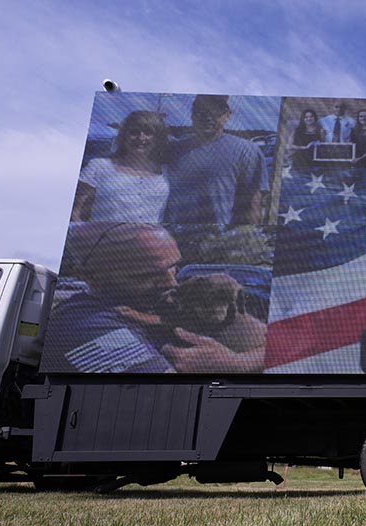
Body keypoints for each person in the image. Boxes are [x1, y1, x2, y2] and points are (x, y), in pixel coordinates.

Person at [49, 222, 266, 374]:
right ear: (89, 277)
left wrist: (240, 363)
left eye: (174, 267)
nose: (172, 283)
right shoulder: (87, 325)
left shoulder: (158, 300)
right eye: (147, 276)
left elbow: (274, 344)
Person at [165, 94, 269, 227]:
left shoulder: (247, 150)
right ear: (192, 115)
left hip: (219, 235)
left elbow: (254, 200)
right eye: (201, 111)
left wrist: (250, 233)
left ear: (227, 115)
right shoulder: (174, 148)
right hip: (174, 233)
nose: (208, 117)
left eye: (215, 112)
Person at [70, 110, 169, 224]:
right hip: (104, 234)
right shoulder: (98, 167)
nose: (141, 138)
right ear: (124, 136)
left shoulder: (167, 172)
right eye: (134, 132)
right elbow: (75, 212)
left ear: (157, 139)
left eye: (148, 133)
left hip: (151, 235)